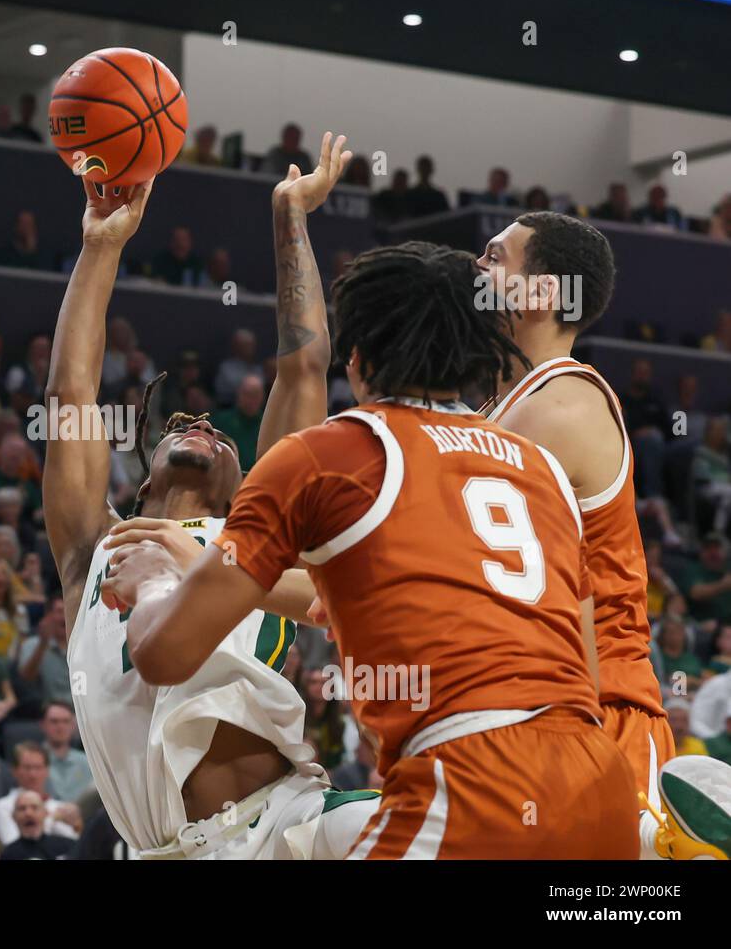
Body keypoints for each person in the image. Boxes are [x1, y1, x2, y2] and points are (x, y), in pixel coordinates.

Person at [102, 233, 641, 859]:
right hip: (600, 784)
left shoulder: (329, 455)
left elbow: (164, 655)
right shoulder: (536, 466)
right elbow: (582, 654)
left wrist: (153, 580)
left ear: (356, 359)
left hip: (472, 783)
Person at [46, 134, 377, 860]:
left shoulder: (260, 541)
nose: (201, 423)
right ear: (142, 473)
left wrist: (290, 216)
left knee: (472, 829)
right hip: (159, 848)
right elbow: (71, 393)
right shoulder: (92, 547)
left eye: (221, 431)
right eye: (178, 425)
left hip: (289, 828)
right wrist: (100, 247)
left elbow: (304, 370)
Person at [478, 210, 729, 858]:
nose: (477, 268)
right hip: (528, 718)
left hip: (597, 715)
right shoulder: (498, 409)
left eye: (495, 256)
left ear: (543, 293)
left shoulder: (558, 408)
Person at [0, 742, 81, 846]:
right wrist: (52, 818)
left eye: (38, 767)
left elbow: (75, 845)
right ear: (14, 770)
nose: (33, 774)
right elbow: (12, 845)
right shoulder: (3, 806)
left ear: (47, 771)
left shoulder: (59, 807)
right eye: (27, 768)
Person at [40, 701, 93, 803]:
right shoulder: (31, 761)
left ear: (73, 725)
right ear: (42, 725)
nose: (60, 727)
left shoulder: (87, 761)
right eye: (54, 721)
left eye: (66, 721)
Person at [0, 790, 73, 860]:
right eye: (22, 808)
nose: (28, 813)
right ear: (14, 816)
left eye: (34, 807)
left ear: (46, 813)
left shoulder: (67, 846)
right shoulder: (8, 855)